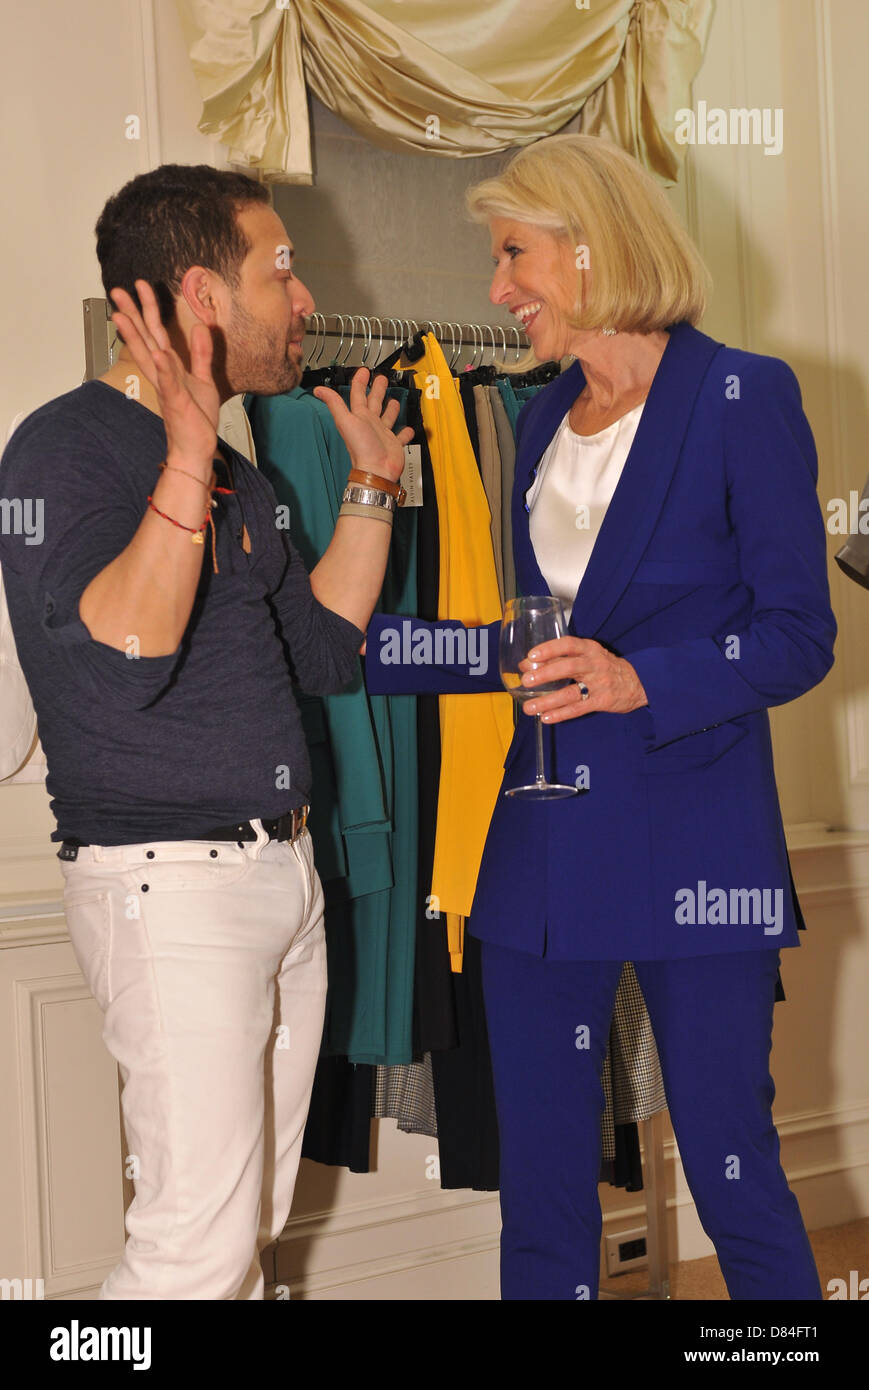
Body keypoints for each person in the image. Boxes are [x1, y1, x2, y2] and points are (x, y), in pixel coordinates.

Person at [364, 133, 837, 1300]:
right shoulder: (537, 420)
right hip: (538, 848)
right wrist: (365, 651)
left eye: (512, 254)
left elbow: (796, 634)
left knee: (731, 1174)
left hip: (695, 846)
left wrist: (639, 678)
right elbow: (538, 638)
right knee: (540, 1187)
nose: (496, 288)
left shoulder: (742, 395)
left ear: (590, 248)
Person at [0, 164, 413, 1299]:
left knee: (246, 1231)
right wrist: (184, 455)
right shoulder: (63, 451)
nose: (306, 299)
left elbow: (325, 650)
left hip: (281, 871)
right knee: (195, 1247)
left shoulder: (244, 470)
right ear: (201, 293)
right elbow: (122, 657)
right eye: (279, 269)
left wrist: (372, 488)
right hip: (168, 885)